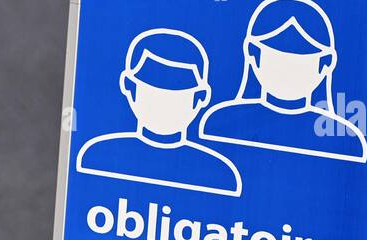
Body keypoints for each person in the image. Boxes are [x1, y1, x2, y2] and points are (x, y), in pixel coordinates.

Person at [198, 0, 367, 162]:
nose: (288, 65)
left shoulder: (344, 141)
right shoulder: (221, 122)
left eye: (303, 56)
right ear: (253, 53)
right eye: (275, 54)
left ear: (326, 63)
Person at [75, 28, 242, 197]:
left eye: (178, 91)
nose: (165, 99)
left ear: (201, 96)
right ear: (128, 85)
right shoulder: (99, 157)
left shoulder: (218, 175)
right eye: (153, 89)